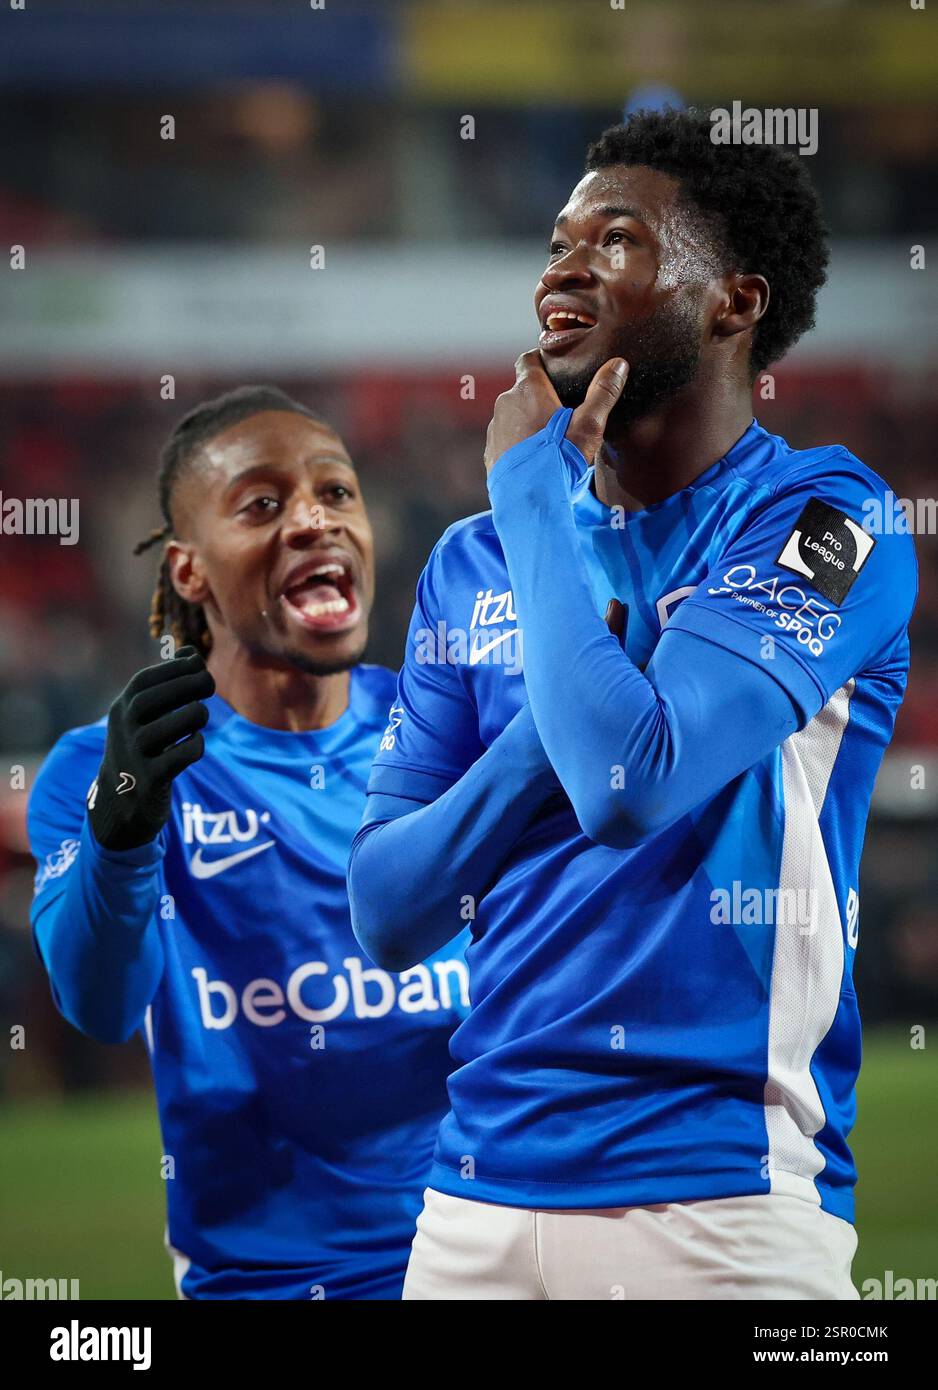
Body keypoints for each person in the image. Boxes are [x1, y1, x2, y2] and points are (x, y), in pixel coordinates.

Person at [348, 110, 917, 1300]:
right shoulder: (477, 556)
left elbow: (629, 780)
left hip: (716, 1203)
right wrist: (529, 736)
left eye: (614, 240)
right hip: (468, 1203)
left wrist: (526, 497)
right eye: (555, 242)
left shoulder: (827, 521)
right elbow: (390, 912)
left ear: (733, 302)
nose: (560, 266)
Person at [28, 385, 469, 1300]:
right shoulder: (108, 767)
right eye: (262, 504)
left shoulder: (446, 727)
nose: (314, 520)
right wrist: (120, 833)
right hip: (270, 1282)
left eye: (336, 493)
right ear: (188, 571)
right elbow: (101, 1006)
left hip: (494, 1252)